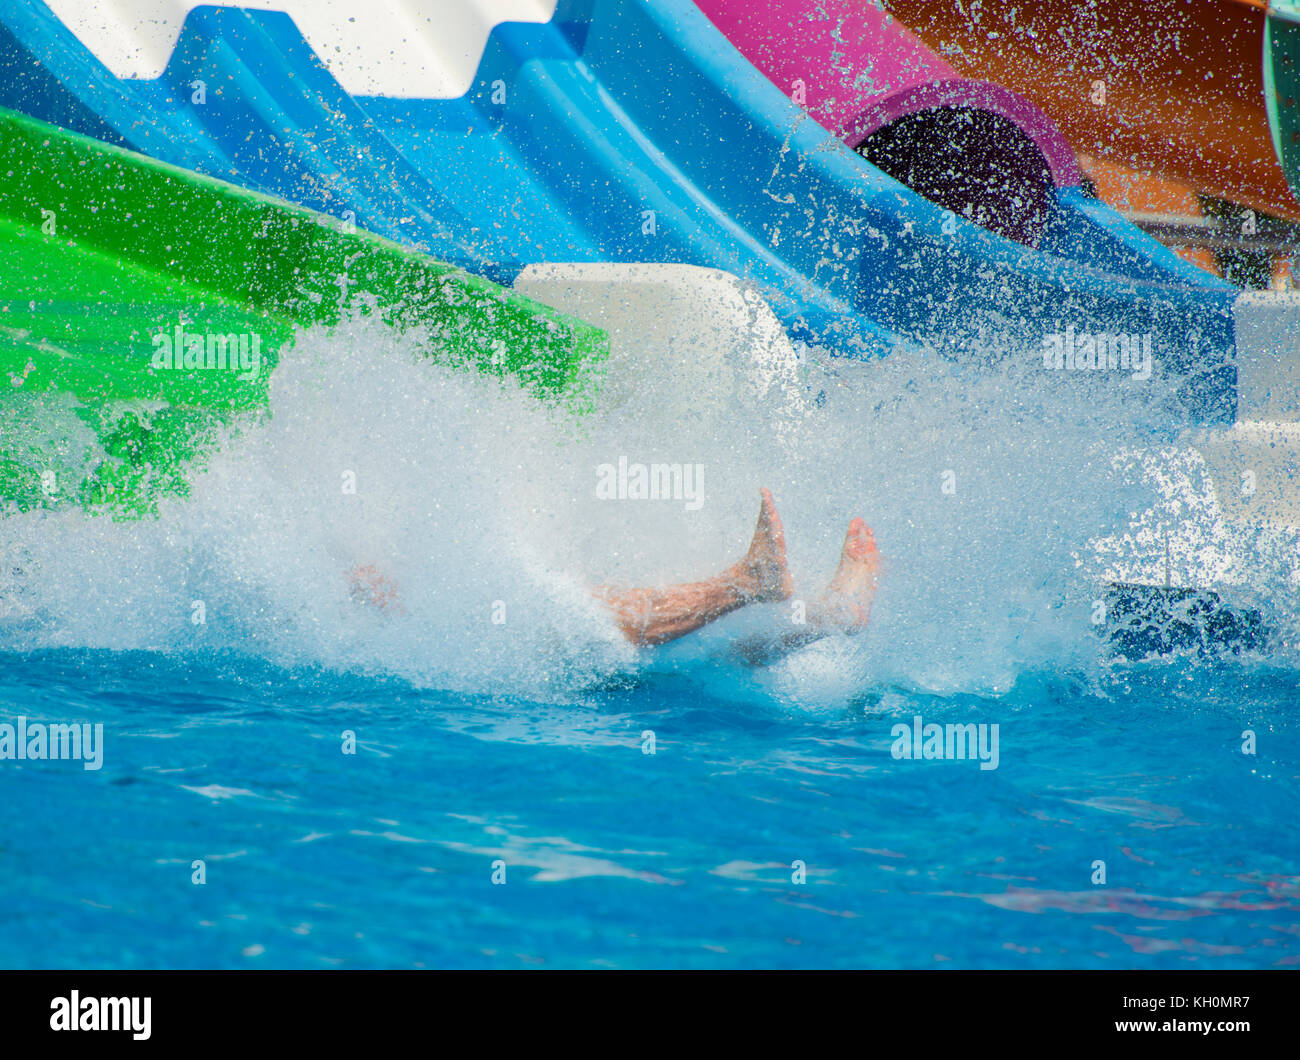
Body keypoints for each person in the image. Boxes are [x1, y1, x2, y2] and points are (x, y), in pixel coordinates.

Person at [347, 488, 880, 663]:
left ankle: (830, 614)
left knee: (710, 658)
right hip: (527, 666)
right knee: (578, 618)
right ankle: (747, 582)